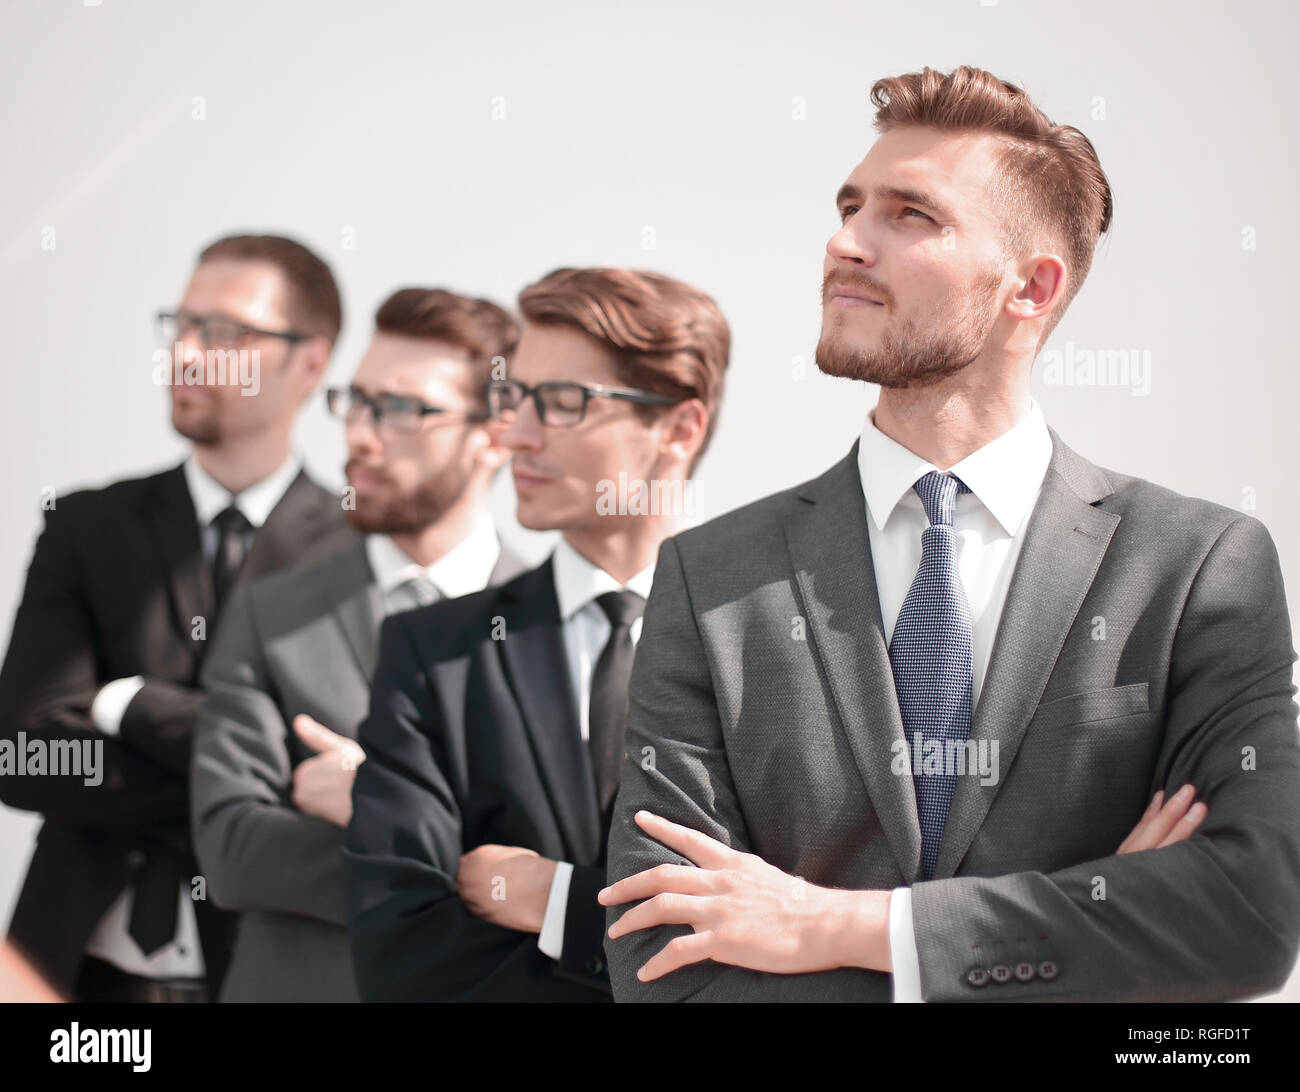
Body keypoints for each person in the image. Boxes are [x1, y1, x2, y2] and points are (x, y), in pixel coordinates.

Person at [602, 65, 1300, 1002]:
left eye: (909, 216)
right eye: (849, 208)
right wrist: (1093, 934)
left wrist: (836, 926)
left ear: (1031, 288)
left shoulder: (1197, 569)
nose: (844, 243)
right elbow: (660, 960)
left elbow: (1248, 918)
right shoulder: (709, 578)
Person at [344, 267, 730, 1000]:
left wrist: (557, 900)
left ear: (678, 428)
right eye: (514, 396)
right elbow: (399, 953)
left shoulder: (775, 648)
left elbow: (793, 934)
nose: (513, 434)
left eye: (561, 403)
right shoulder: (433, 653)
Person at [0, 233, 357, 1002]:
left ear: (311, 362)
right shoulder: (86, 524)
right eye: (181, 325)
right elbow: (24, 754)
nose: (188, 353)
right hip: (68, 972)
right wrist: (256, 789)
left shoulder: (362, 553)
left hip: (269, 971)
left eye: (224, 332)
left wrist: (127, 706)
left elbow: (368, 778)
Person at [191, 287, 526, 1001]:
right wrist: (488, 871)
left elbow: (580, 863)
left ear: (496, 434)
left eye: (401, 409)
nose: (362, 435)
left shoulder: (559, 623)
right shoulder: (271, 612)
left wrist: (377, 800)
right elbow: (233, 852)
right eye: (357, 401)